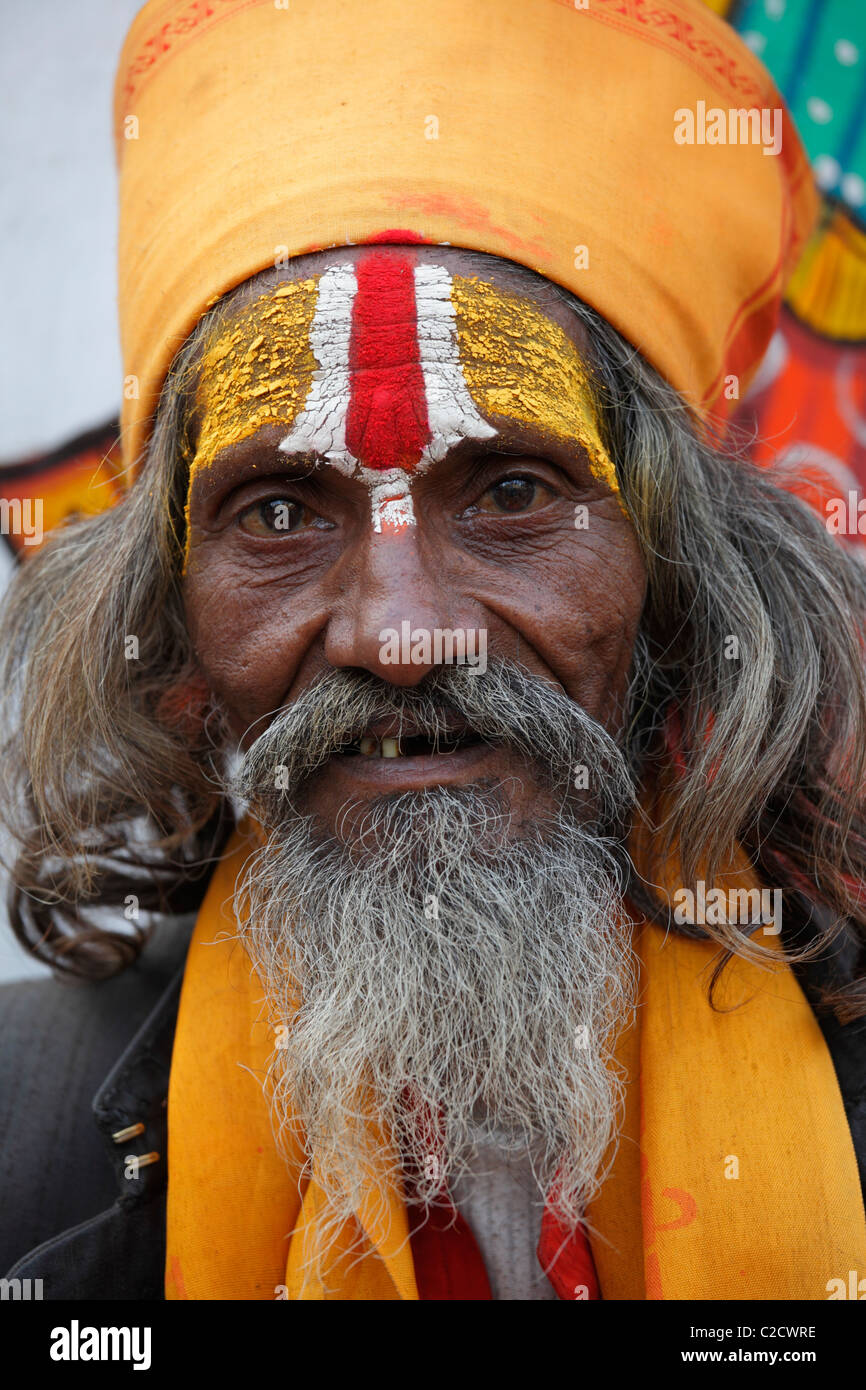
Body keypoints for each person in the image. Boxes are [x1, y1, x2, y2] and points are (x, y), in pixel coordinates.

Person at [1, 0, 864, 1301]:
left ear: (678, 568)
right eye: (280, 511)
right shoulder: (22, 1130)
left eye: (511, 491)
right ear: (169, 610)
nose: (401, 634)